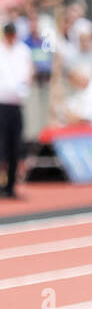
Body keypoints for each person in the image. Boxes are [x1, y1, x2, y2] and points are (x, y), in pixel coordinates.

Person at [0, 20, 32, 198]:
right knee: (1, 146)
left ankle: (11, 186)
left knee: (15, 146)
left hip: (16, 104)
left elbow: (28, 73)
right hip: (1, 104)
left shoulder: (23, 51)